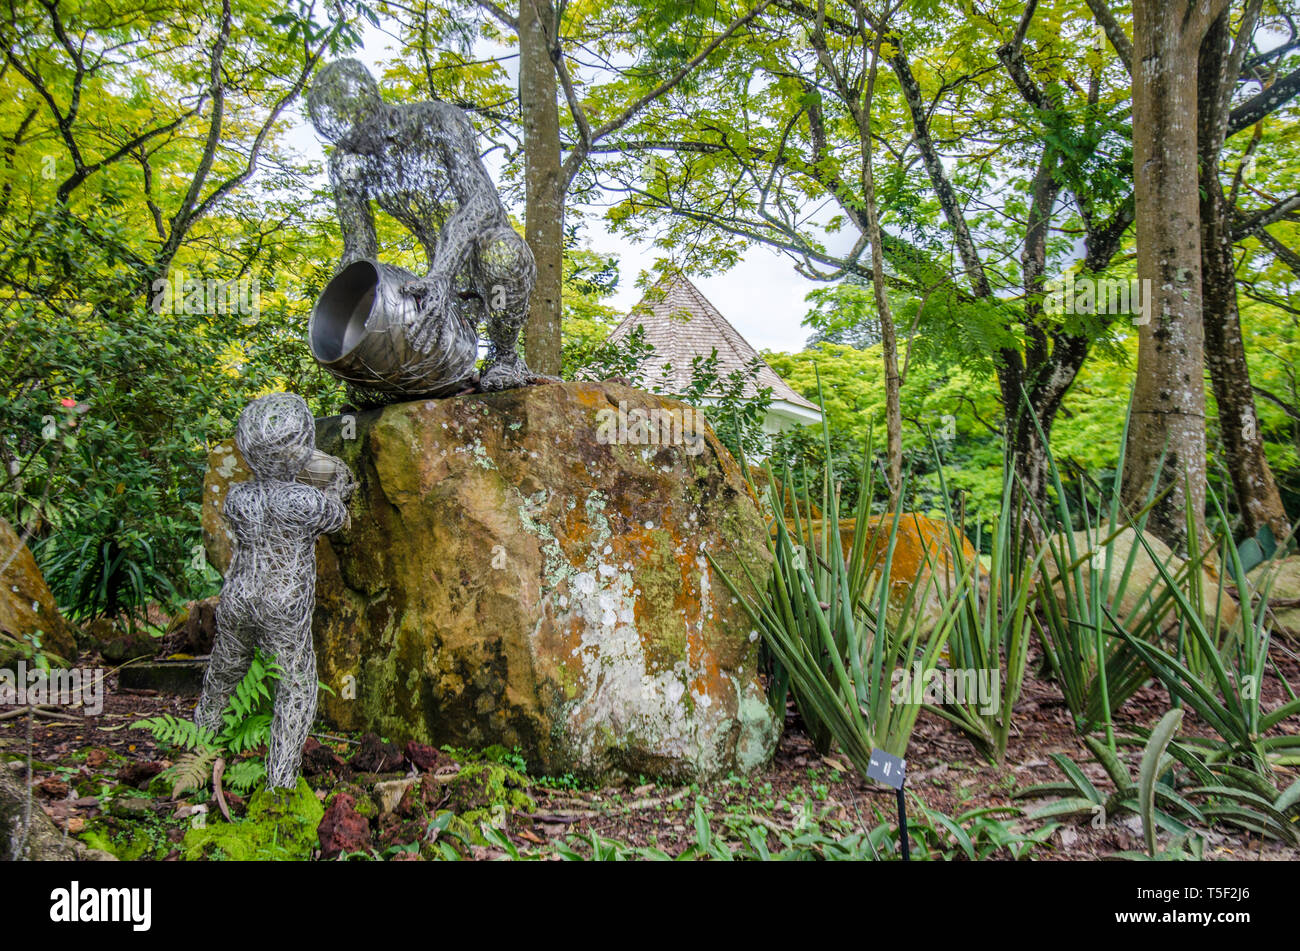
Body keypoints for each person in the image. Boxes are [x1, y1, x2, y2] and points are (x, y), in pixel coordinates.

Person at [308, 58, 546, 392]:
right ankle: (439, 379)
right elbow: (359, 248)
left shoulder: (438, 121)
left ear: (373, 104)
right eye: (349, 142)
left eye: (361, 134)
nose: (358, 147)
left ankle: (504, 356)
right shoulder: (348, 161)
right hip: (436, 282)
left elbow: (482, 203)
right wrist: (341, 325)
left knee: (504, 252)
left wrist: (441, 275)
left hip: (478, 266)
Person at [194, 393, 351, 789]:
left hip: (239, 596)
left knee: (222, 677)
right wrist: (337, 484)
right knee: (295, 686)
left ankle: (196, 756)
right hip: (282, 602)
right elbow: (338, 516)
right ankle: (280, 782)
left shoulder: (239, 497)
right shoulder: (303, 500)